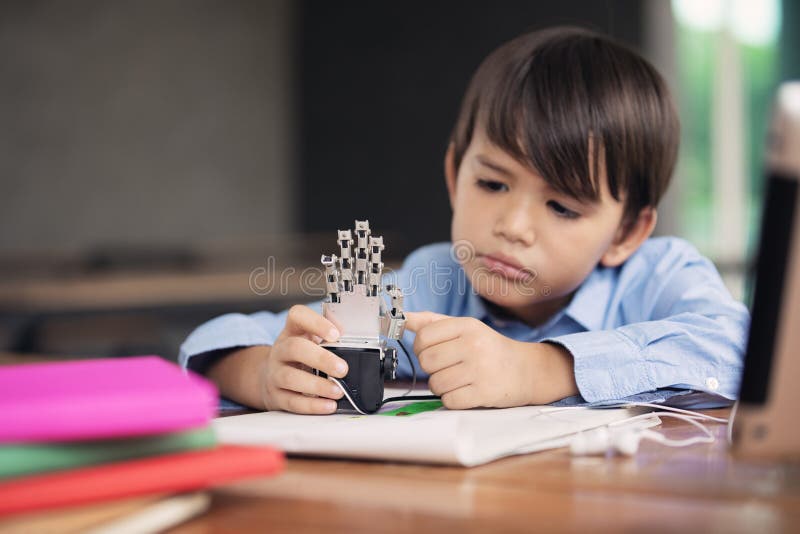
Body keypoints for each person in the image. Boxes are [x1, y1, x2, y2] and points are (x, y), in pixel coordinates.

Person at [179, 26, 749, 414]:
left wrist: (540, 370)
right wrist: (262, 374)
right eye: (492, 183)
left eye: (562, 207)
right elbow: (223, 339)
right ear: (455, 176)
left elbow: (743, 347)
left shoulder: (658, 275)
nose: (514, 225)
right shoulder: (432, 282)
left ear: (625, 232)